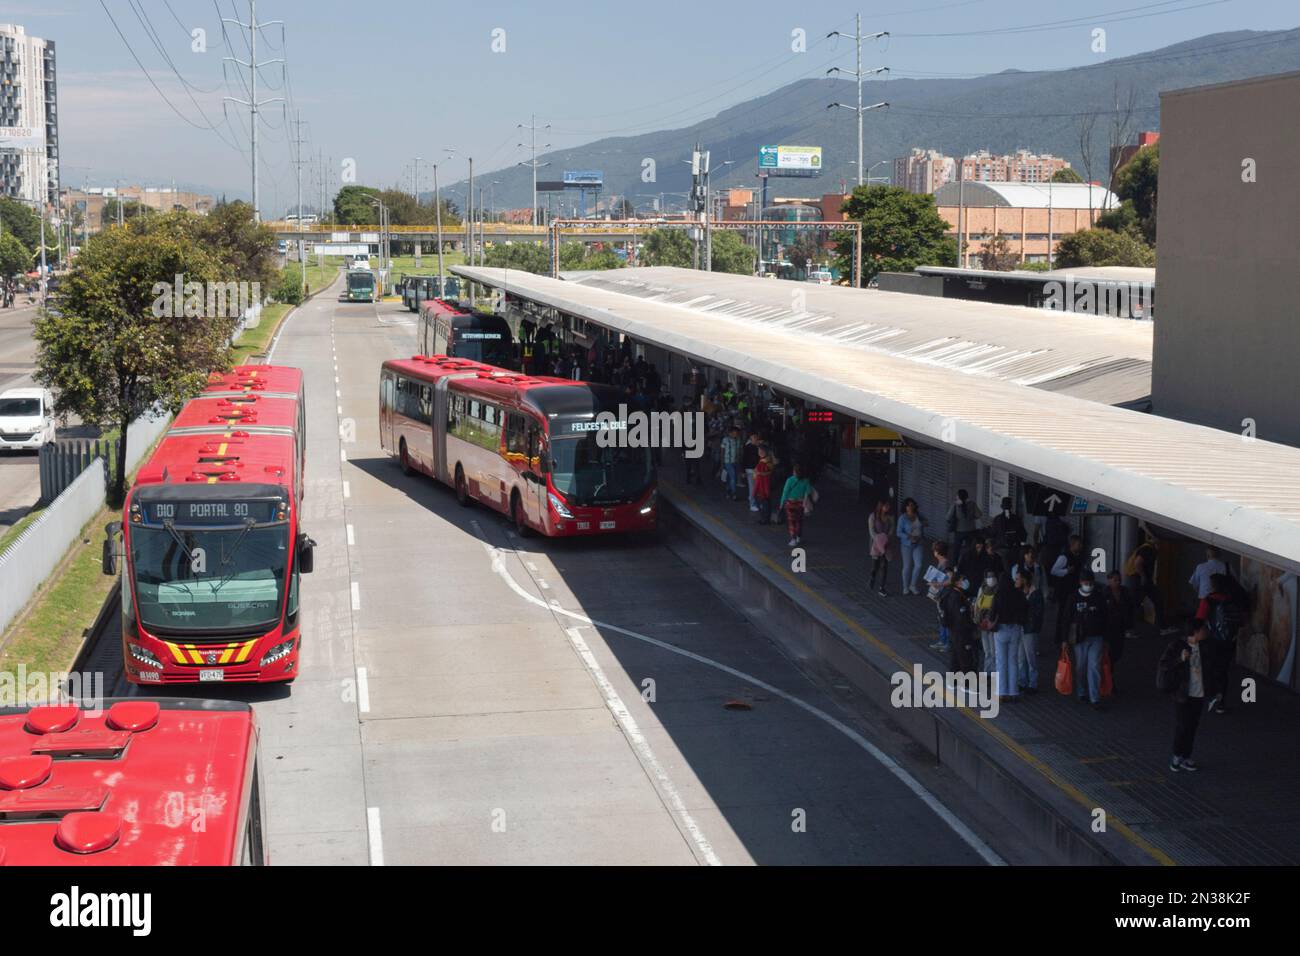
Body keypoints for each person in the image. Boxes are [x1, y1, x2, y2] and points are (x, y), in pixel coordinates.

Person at [1157, 619, 1213, 772]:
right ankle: (1177, 756)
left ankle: (1186, 756)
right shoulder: (1177, 646)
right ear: (1195, 631)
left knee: (1193, 726)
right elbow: (1164, 665)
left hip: (1199, 694)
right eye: (1202, 629)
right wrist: (1180, 659)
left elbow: (1210, 669)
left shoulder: (1205, 646)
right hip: (1183, 694)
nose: (1205, 631)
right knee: (1182, 726)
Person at [1196, 572, 1245, 715]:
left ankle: (1209, 696)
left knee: (1208, 668)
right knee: (1222, 670)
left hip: (1211, 640)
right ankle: (1221, 702)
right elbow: (1241, 621)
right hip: (1228, 641)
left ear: (1213, 586)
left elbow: (1199, 620)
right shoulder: (1233, 600)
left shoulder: (1208, 600)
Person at [1066, 569, 1108, 708]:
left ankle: (1094, 697)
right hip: (1079, 639)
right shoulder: (1073, 598)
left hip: (1096, 637)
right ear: (1080, 583)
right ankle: (1081, 691)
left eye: (1090, 583)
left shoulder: (1099, 597)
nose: (1088, 585)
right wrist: (1064, 640)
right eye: (1086, 582)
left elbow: (1105, 616)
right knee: (1081, 667)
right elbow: (1066, 618)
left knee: (1094, 666)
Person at [992, 572, 1028, 702]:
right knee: (1013, 660)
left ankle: (1002, 692)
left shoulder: (998, 594)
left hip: (1001, 629)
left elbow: (992, 613)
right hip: (1015, 629)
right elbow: (1025, 609)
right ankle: (1014, 692)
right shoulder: (1018, 594)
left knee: (1001, 661)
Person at [1104, 570, 1134, 693]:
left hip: (1120, 628)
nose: (1118, 582)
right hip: (1108, 629)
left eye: (1119, 579)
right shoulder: (1104, 593)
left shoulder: (1125, 592)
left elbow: (1130, 608)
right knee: (1110, 654)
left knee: (1117, 653)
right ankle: (1109, 680)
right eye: (1115, 580)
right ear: (1109, 580)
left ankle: (1108, 677)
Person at [1050, 535, 1084, 642]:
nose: (1080, 546)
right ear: (1072, 545)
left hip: (1072, 589)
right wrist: (1066, 571)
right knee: (1063, 614)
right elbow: (1054, 571)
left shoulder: (1076, 557)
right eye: (1078, 544)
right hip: (1064, 591)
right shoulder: (1064, 557)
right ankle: (1060, 637)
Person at [942, 574, 978, 673]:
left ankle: (954, 680)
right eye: (963, 579)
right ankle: (968, 683)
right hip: (962, 631)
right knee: (966, 657)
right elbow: (961, 617)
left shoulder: (950, 594)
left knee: (956, 656)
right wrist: (973, 626)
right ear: (957, 582)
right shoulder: (957, 597)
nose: (965, 582)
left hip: (954, 630)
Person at [1020, 570, 1044, 694]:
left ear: (1025, 580)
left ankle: (1032, 683)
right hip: (1022, 628)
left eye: (1019, 579)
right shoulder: (1019, 593)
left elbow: (1038, 613)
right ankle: (1023, 681)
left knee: (1030, 658)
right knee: (1021, 657)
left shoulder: (1036, 594)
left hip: (1030, 629)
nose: (1016, 581)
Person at [925, 541, 954, 651]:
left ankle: (946, 642)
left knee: (944, 618)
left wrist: (937, 584)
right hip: (941, 594)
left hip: (945, 595)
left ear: (937, 552)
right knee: (942, 618)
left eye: (934, 550)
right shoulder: (942, 562)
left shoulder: (945, 564)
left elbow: (951, 580)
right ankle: (943, 640)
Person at [778, 462, 814, 547]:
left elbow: (785, 493)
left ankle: (793, 539)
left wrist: (781, 503)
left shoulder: (790, 480)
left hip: (790, 503)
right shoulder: (806, 480)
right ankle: (798, 537)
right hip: (800, 504)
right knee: (799, 521)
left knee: (791, 522)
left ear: (794, 471)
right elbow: (808, 491)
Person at [896, 498, 926, 595]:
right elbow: (898, 532)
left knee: (919, 564)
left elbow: (926, 522)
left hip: (919, 543)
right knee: (907, 566)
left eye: (912, 505)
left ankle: (913, 585)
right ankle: (905, 587)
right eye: (909, 505)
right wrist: (908, 536)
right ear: (905, 507)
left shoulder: (918, 515)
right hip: (907, 545)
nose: (911, 507)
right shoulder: (903, 518)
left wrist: (923, 524)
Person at [972, 570, 999, 674]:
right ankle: (987, 672)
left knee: (993, 651)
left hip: (992, 624)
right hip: (983, 624)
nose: (991, 579)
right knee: (987, 651)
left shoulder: (998, 591)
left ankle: (993, 673)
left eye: (993, 577)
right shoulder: (982, 589)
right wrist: (976, 618)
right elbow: (977, 605)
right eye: (989, 577)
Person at [945, 489, 982, 565]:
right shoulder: (972, 504)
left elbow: (948, 517)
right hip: (971, 530)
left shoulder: (955, 505)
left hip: (959, 531)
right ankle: (970, 563)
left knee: (956, 549)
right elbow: (979, 515)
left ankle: (955, 565)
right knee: (970, 548)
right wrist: (971, 517)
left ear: (958, 496)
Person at [990, 496, 1026, 571]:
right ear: (1011, 507)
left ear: (1001, 507)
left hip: (1005, 547)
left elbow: (993, 534)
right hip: (1009, 548)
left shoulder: (998, 519)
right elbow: (1022, 533)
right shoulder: (1015, 518)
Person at [868, 500, 896, 597]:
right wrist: (879, 539)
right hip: (876, 545)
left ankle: (882, 587)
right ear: (881, 506)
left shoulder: (890, 517)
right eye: (886, 506)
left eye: (888, 506)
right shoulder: (873, 516)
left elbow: (892, 528)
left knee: (884, 566)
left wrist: (887, 538)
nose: (887, 508)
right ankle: (872, 577)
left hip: (886, 544)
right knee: (875, 566)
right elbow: (872, 531)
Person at [753, 444, 774, 525]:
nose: (760, 452)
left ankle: (765, 519)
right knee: (765, 502)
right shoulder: (764, 460)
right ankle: (765, 518)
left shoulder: (766, 461)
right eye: (759, 450)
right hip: (762, 484)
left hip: (764, 485)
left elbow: (769, 472)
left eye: (761, 451)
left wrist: (759, 473)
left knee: (764, 502)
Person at [720, 427, 742, 500]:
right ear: (730, 433)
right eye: (734, 433)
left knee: (730, 478)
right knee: (733, 477)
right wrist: (722, 463)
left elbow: (739, 451)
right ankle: (734, 493)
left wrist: (739, 461)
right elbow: (722, 451)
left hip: (735, 462)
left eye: (737, 433)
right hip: (727, 462)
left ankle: (728, 490)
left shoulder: (738, 440)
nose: (736, 434)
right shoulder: (725, 440)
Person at [742, 433, 761, 511]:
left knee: (756, 487)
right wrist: (743, 470)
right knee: (752, 487)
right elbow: (744, 459)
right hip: (750, 469)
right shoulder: (748, 447)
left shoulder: (758, 447)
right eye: (754, 438)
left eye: (756, 438)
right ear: (751, 439)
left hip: (756, 469)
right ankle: (752, 504)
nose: (756, 439)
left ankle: (754, 501)